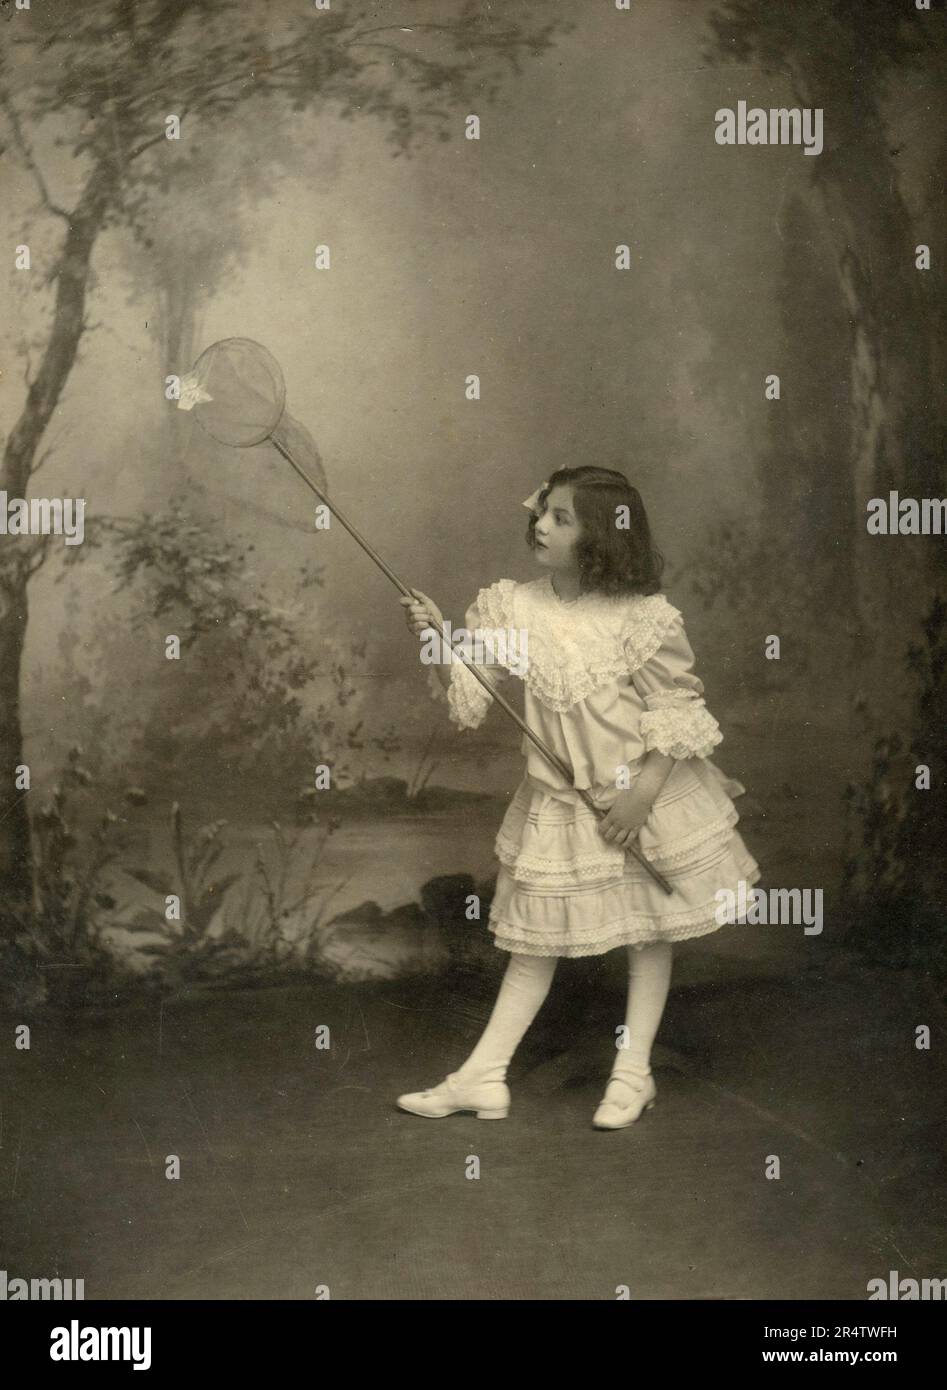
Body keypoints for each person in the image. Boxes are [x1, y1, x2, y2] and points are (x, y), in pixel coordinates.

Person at [396, 466, 761, 1130]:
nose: (540, 524)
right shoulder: (514, 606)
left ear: (601, 536)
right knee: (532, 942)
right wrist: (434, 637)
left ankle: (633, 1072)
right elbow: (470, 695)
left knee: (650, 931)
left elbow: (675, 709)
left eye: (561, 518)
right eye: (544, 512)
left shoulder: (643, 617)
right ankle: (482, 1077)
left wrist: (640, 799)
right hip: (560, 803)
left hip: (639, 794)